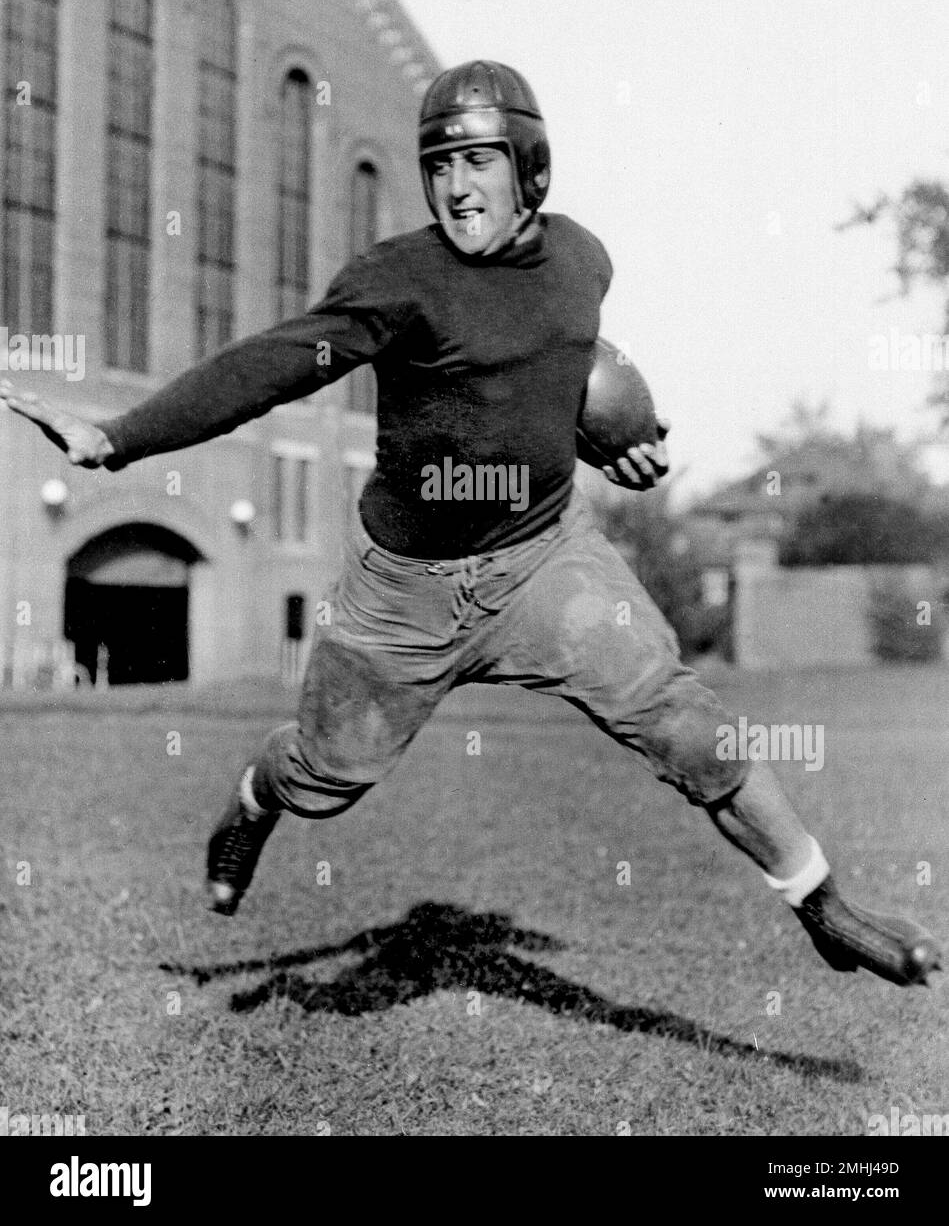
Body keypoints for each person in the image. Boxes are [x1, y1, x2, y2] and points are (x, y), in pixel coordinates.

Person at [2, 60, 940, 988]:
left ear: (530, 165)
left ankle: (823, 907)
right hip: (403, 590)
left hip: (542, 563)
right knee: (327, 782)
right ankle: (256, 798)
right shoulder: (398, 280)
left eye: (477, 161)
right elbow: (274, 363)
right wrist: (120, 437)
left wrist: (606, 438)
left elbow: (554, 360)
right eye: (439, 165)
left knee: (687, 724)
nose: (455, 186)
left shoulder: (582, 259)